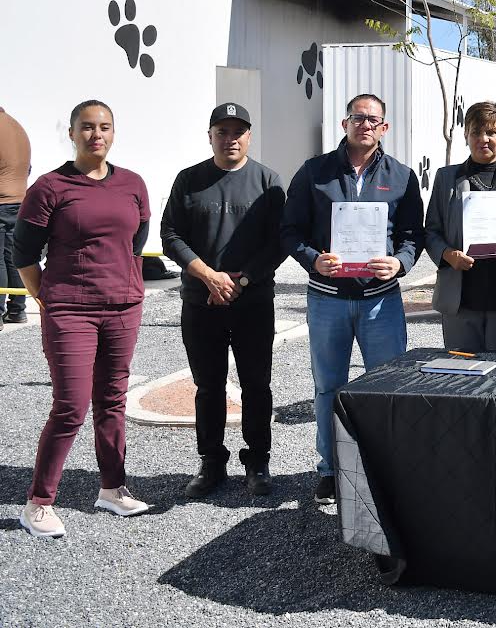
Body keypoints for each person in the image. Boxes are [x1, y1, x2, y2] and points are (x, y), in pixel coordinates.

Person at [13, 101, 152, 538]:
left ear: (114, 132)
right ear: (72, 133)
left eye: (104, 127)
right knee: (71, 406)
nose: (97, 135)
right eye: (87, 127)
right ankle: (38, 503)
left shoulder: (132, 184)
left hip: (123, 307)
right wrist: (45, 296)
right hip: (70, 310)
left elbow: (137, 241)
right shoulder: (50, 187)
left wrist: (126, 285)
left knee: (112, 401)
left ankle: (112, 488)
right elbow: (23, 252)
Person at [280, 93, 424, 504]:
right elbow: (289, 230)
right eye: (357, 117)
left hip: (381, 301)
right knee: (328, 387)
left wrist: (399, 263)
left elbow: (412, 235)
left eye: (373, 119)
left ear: (384, 128)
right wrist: (313, 259)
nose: (365, 124)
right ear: (344, 124)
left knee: (386, 388)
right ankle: (330, 470)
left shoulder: (401, 176)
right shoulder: (314, 172)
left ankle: (384, 468)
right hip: (327, 299)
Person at [160, 103, 287, 498]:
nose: (230, 138)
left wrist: (243, 279)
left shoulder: (267, 181)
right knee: (208, 386)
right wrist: (208, 276)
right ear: (210, 136)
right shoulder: (190, 180)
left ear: (249, 136)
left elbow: (279, 241)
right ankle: (212, 461)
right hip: (201, 302)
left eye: (238, 131)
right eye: (222, 131)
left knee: (256, 384)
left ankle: (258, 461)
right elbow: (170, 236)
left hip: (253, 303)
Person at [425, 101, 496, 351]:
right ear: (466, 135)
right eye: (476, 132)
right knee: (462, 370)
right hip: (460, 298)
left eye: (491, 132)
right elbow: (431, 230)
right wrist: (447, 254)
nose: (483, 139)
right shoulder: (446, 178)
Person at [0, 105, 32, 329]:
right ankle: (17, 310)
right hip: (19, 201)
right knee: (12, 258)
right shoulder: (15, 125)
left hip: (1, 201)